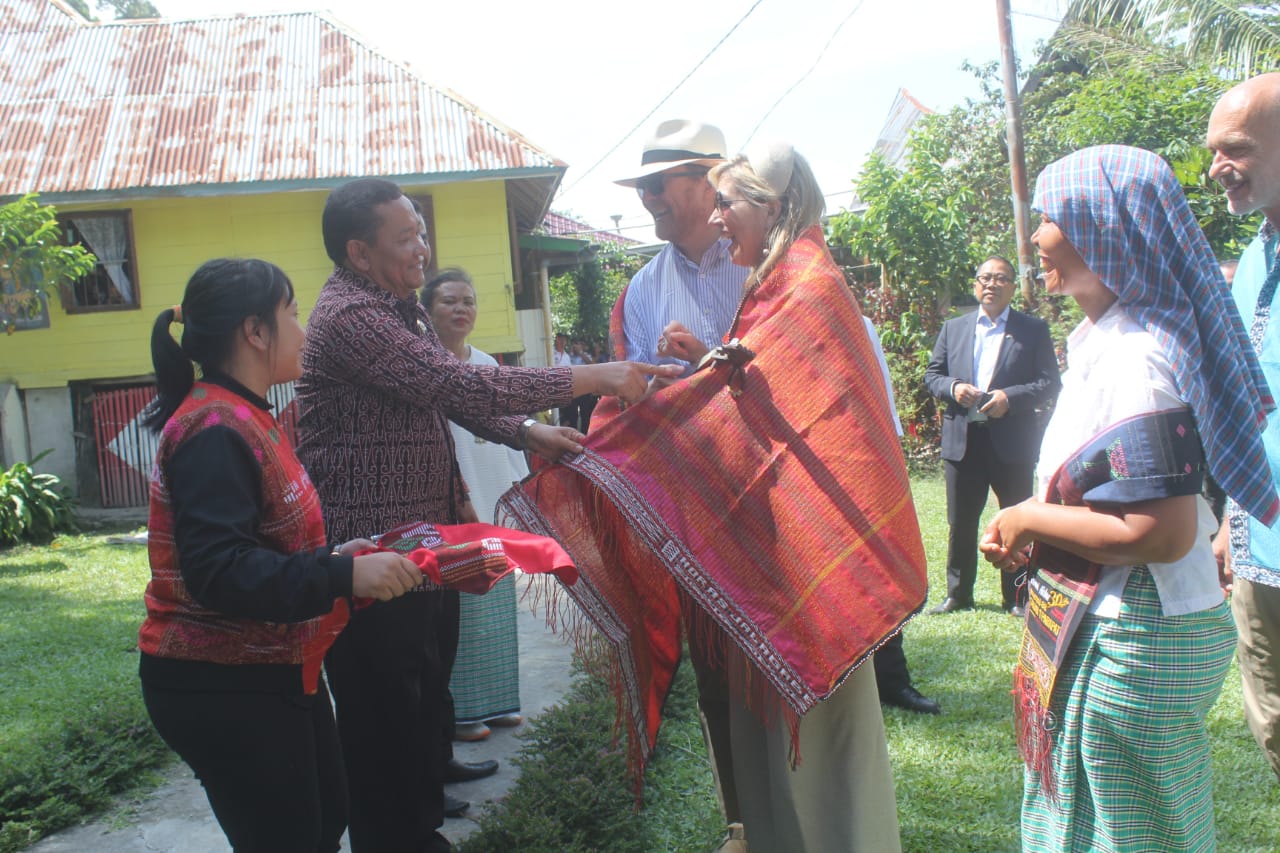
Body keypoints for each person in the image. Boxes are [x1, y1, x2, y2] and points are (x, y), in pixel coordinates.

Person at [506, 141, 928, 852]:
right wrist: (707, 369)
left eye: (729, 202)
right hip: (754, 545)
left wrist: (708, 376)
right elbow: (758, 397)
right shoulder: (770, 281)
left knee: (818, 744)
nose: (720, 216)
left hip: (802, 554)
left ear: (769, 207)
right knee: (755, 731)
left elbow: (808, 418)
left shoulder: (808, 285)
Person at [295, 177, 676, 852]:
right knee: (383, 721)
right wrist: (595, 375)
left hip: (420, 547)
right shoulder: (352, 318)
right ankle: (395, 838)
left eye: (422, 230)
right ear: (359, 251)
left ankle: (421, 831)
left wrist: (529, 433)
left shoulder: (393, 307)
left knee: (419, 702)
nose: (423, 247)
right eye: (406, 236)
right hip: (371, 556)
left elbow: (451, 397)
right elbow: (458, 381)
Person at [980, 145, 1278, 851]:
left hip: (1137, 623)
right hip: (1121, 613)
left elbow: (1160, 530)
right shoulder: (1109, 338)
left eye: (1052, 216)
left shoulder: (1137, 356)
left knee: (1129, 831)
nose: (1036, 236)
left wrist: (1025, 517)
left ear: (1101, 229)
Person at [137, 258, 423, 851]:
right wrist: (343, 573)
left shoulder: (246, 412)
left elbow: (262, 540)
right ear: (255, 332)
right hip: (223, 682)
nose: (304, 330)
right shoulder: (213, 429)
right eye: (292, 314)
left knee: (324, 820)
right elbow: (220, 571)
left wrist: (340, 557)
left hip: (274, 670)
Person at [1207, 71, 1280, 783]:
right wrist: (1233, 513)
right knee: (1274, 718)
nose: (1215, 168)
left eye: (1235, 147)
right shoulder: (1254, 256)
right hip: (1262, 547)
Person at [423, 267, 528, 744]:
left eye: (468, 300)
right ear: (427, 310)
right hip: (452, 508)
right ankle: (464, 711)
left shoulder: (486, 365)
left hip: (493, 500)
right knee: (460, 616)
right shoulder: (422, 368)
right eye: (449, 300)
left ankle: (499, 700)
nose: (461, 308)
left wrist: (520, 492)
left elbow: (510, 430)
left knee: (497, 609)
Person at [925, 256, 1061, 615]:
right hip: (963, 441)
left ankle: (1016, 597)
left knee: (1018, 521)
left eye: (1001, 278)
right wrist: (953, 388)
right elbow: (932, 375)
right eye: (985, 277)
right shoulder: (954, 328)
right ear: (975, 285)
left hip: (1011, 442)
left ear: (1012, 287)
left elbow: (1049, 383)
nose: (991, 284)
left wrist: (1009, 398)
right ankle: (958, 594)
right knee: (961, 522)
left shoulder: (1033, 330)